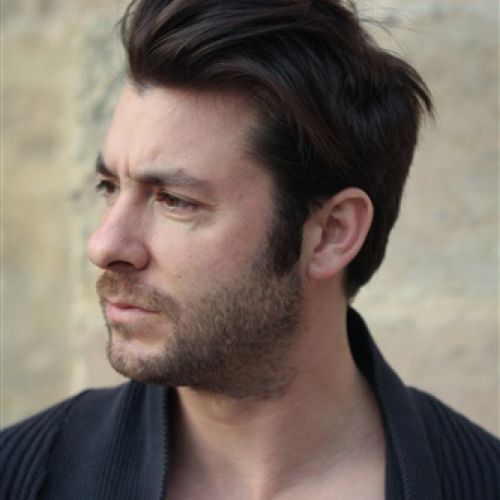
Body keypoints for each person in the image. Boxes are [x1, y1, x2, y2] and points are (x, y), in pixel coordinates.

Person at [1, 0, 499, 498]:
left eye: (175, 200)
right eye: (110, 186)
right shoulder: (20, 477)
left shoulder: (477, 482)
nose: (104, 245)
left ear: (331, 233)